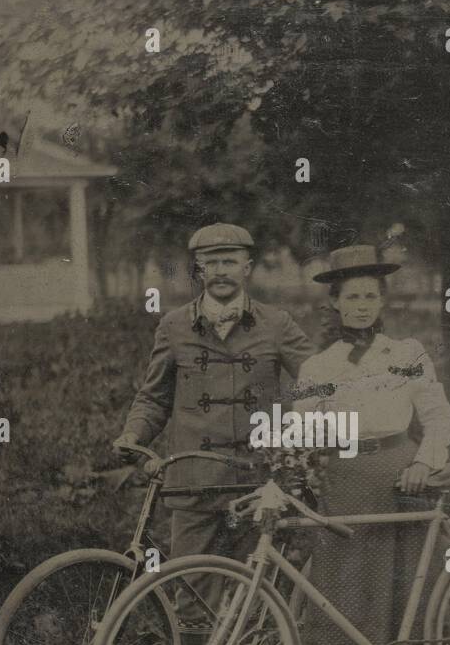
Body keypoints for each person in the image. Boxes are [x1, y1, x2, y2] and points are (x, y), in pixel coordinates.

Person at [292, 243, 450, 645]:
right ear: (335, 303)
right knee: (335, 598)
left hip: (400, 478)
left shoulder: (405, 355)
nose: (361, 305)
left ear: (382, 302)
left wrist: (422, 464)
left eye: (370, 296)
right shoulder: (319, 366)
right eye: (351, 296)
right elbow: (303, 430)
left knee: (394, 598)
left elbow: (437, 416)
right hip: (345, 483)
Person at [113, 222, 315, 587]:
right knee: (192, 589)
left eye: (230, 261)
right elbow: (154, 396)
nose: (221, 271)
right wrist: (133, 433)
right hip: (194, 483)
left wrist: (300, 434)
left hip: (255, 482)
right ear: (199, 269)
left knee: (253, 594)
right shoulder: (174, 326)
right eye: (211, 262)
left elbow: (318, 382)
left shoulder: (277, 323)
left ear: (247, 267)